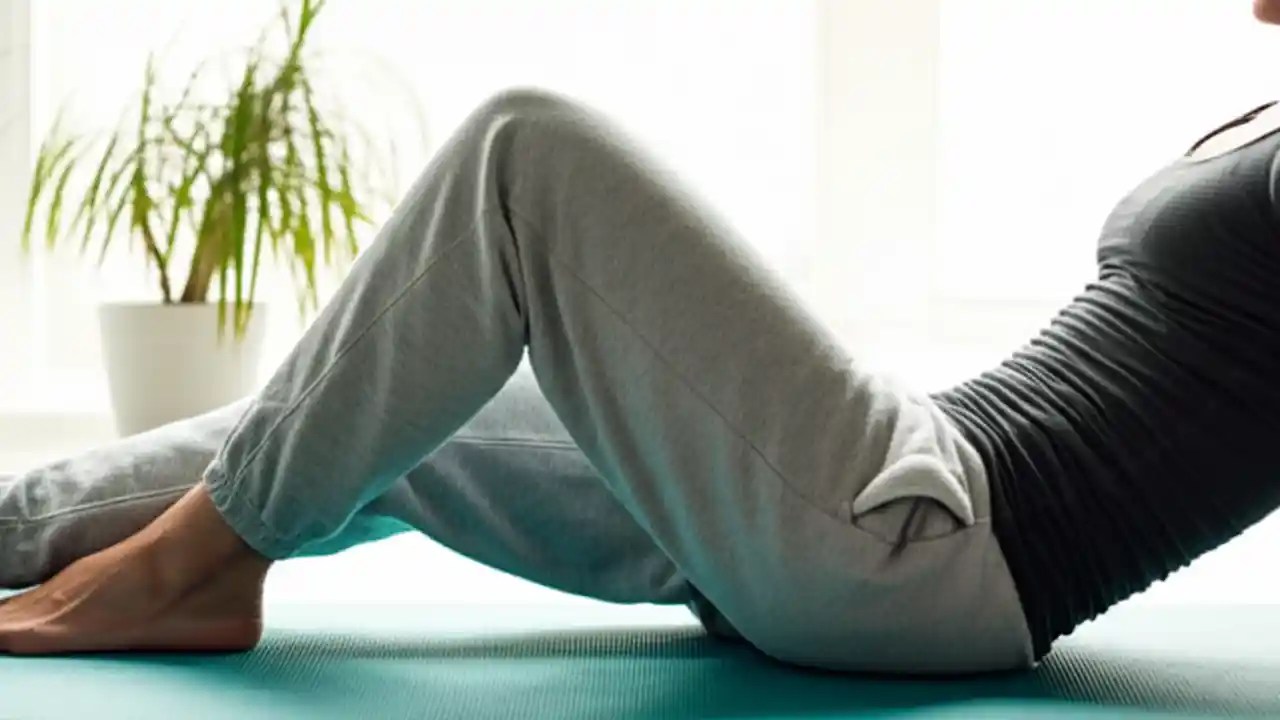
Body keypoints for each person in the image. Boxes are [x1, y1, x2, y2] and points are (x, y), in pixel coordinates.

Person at [3, 0, 1280, 677]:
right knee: (378, 405)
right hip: (887, 499)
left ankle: (190, 567)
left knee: (524, 149)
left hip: (920, 547)